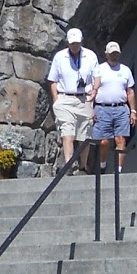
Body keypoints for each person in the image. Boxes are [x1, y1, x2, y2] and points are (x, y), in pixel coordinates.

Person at [46, 26, 99, 169]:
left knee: (84, 136)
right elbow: (53, 80)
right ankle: (69, 164)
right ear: (67, 42)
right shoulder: (60, 57)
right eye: (72, 43)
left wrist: (95, 90)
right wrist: (56, 99)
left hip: (84, 98)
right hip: (65, 98)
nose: (75, 46)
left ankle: (83, 165)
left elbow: (97, 77)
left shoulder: (90, 55)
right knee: (67, 132)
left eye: (77, 43)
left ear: (81, 41)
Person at [89, 41, 136, 172]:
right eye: (111, 54)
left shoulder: (125, 70)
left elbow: (130, 91)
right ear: (106, 55)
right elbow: (92, 90)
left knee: (120, 140)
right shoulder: (99, 69)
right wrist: (91, 109)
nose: (114, 56)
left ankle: (118, 170)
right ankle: (103, 164)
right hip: (102, 108)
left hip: (121, 108)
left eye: (116, 54)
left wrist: (133, 111)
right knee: (103, 142)